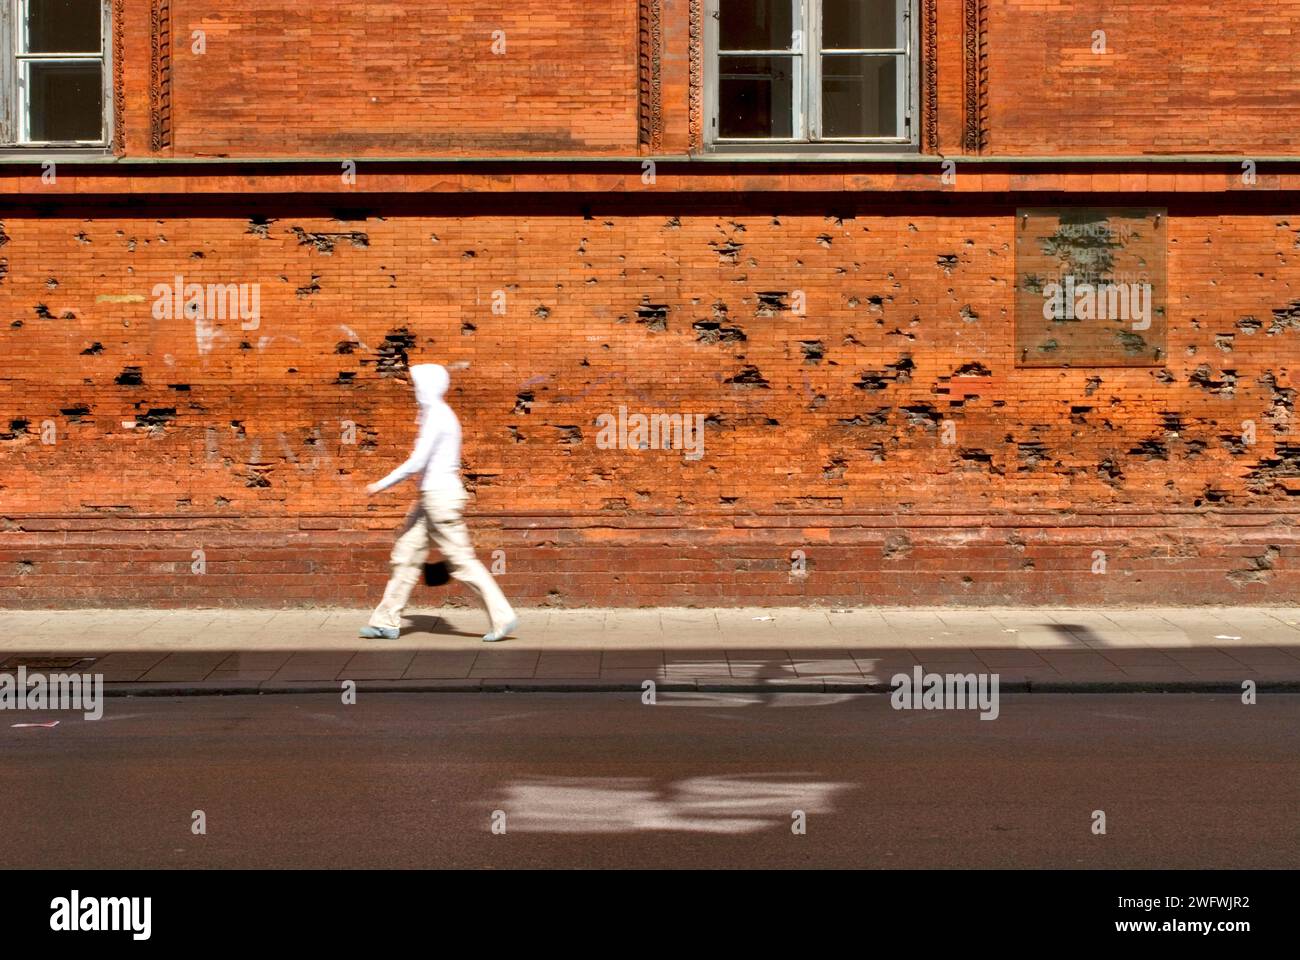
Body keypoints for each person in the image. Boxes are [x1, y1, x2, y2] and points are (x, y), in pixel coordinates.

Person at [359, 363, 518, 642]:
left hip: (440, 499)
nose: (414, 389)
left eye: (417, 384)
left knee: (461, 561)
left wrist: (380, 485)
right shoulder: (436, 414)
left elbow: (417, 462)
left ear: (428, 386)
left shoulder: (438, 417)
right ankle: (386, 621)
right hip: (430, 498)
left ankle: (502, 618)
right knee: (405, 556)